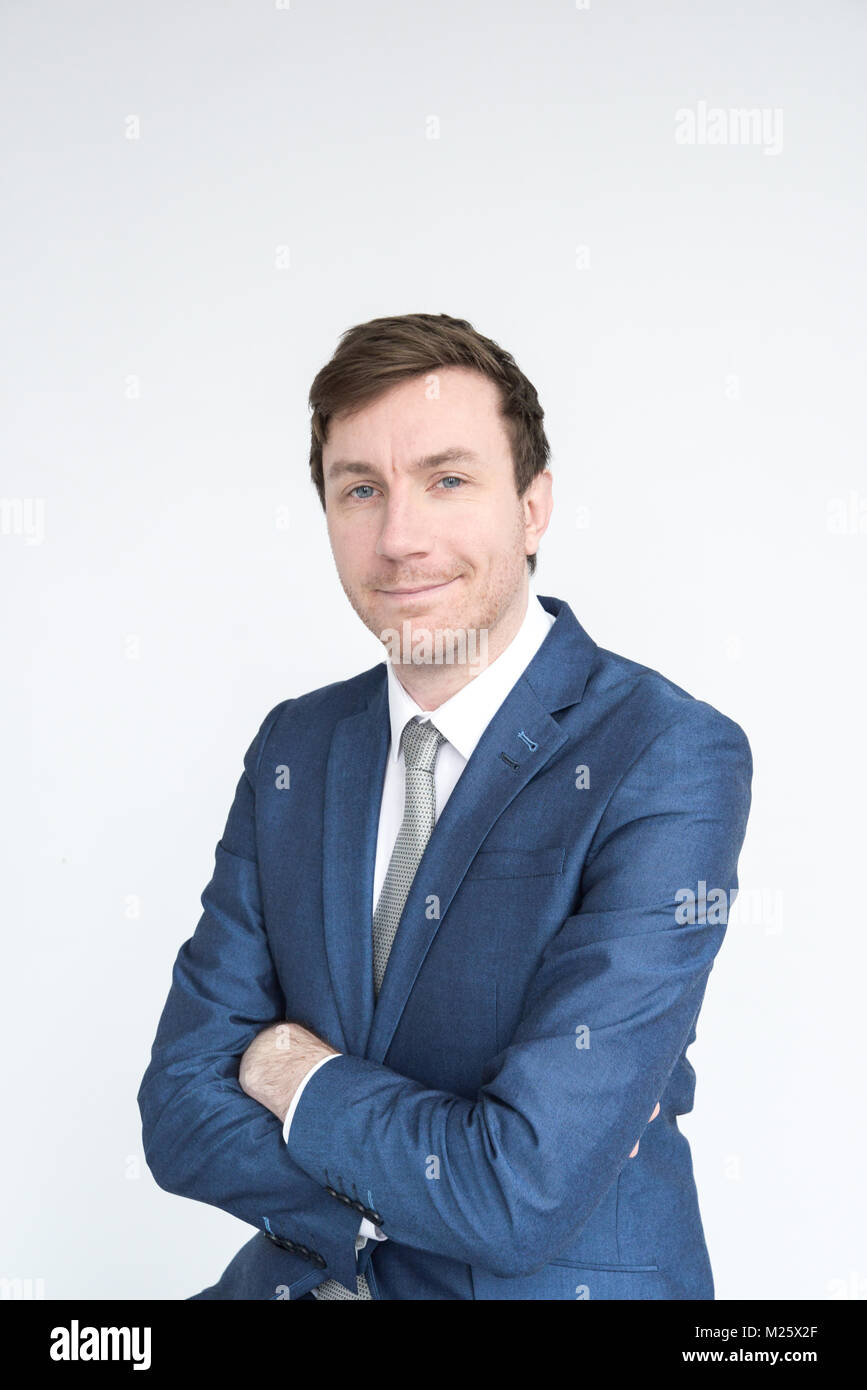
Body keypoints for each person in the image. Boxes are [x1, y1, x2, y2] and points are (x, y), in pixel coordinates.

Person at [137, 312, 752, 1300]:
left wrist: (293, 1073)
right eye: (360, 490)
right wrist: (404, 1186)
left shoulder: (665, 753)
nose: (400, 537)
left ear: (534, 507)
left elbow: (522, 1187)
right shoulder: (296, 746)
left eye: (447, 480)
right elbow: (177, 1110)